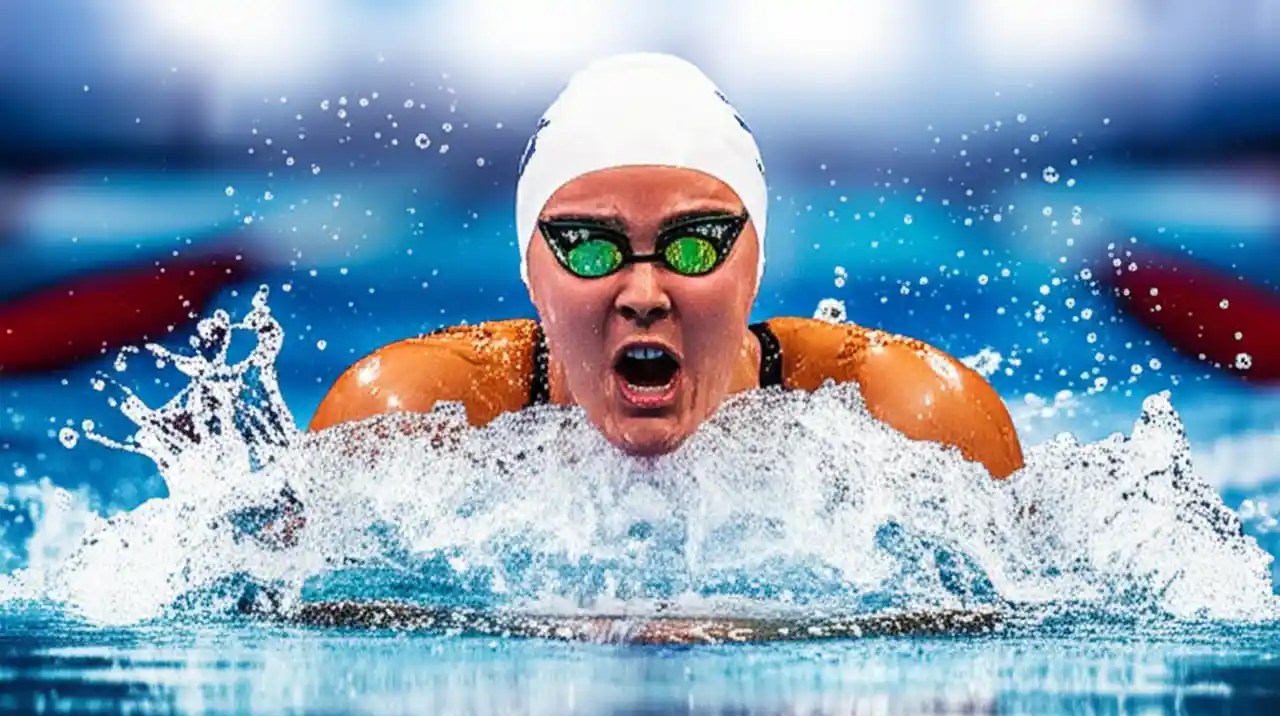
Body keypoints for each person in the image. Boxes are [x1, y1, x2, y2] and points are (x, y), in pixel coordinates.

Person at [310, 52, 1024, 479]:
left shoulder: (916, 426)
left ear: (756, 264)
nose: (643, 294)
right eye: (589, 246)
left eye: (694, 244)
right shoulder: (405, 426)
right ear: (530, 272)